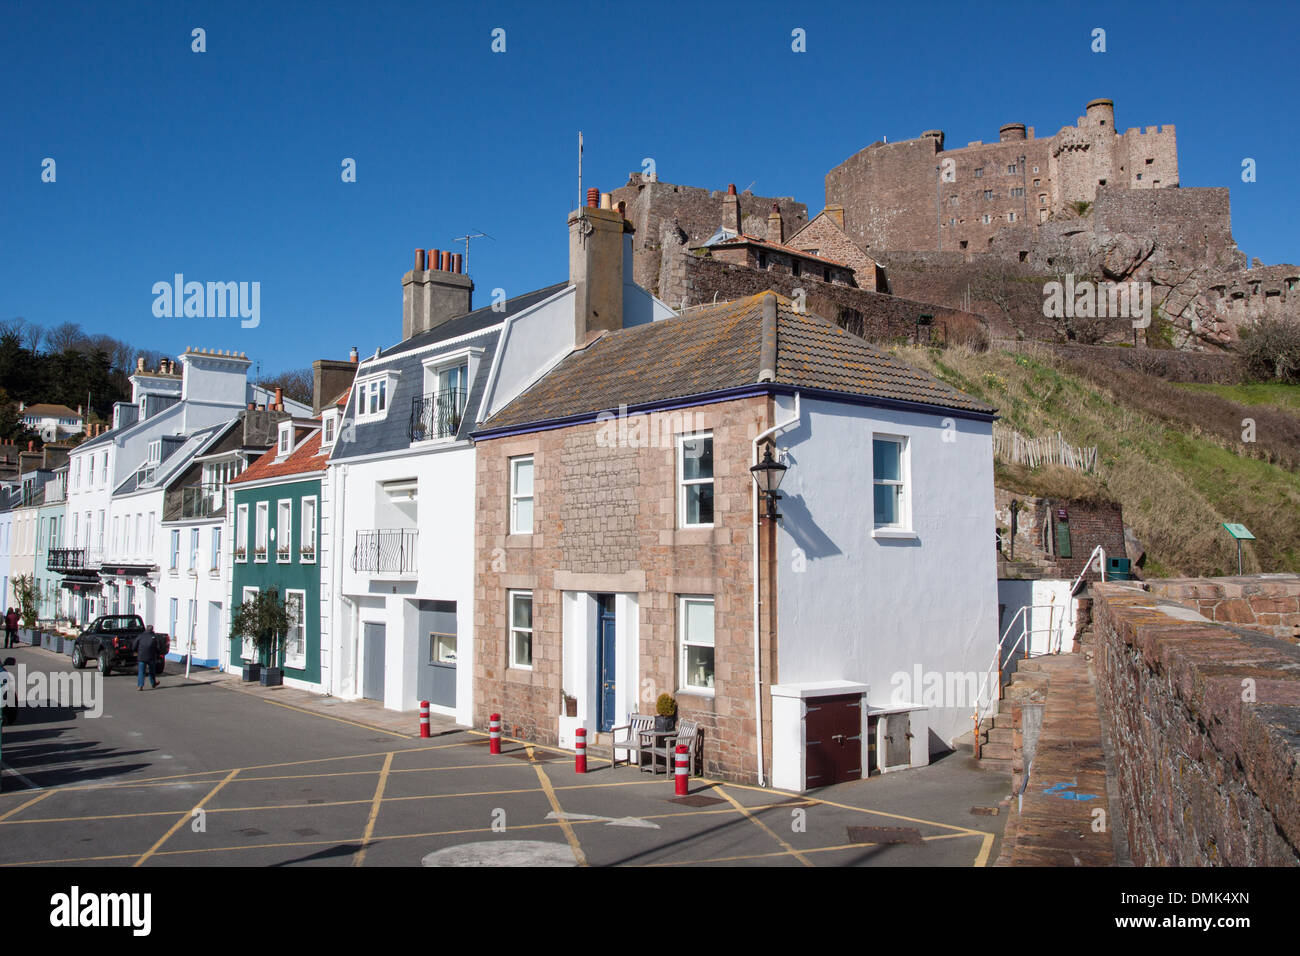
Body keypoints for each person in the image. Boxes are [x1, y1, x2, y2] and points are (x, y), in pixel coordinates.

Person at [135, 626, 158, 691]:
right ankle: (153, 683)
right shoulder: (154, 637)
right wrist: (158, 653)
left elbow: (135, 644)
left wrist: (135, 651)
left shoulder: (141, 636)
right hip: (151, 657)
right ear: (152, 630)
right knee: (152, 671)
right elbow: (158, 646)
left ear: (146, 629)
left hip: (142, 656)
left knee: (141, 672)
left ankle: (140, 686)